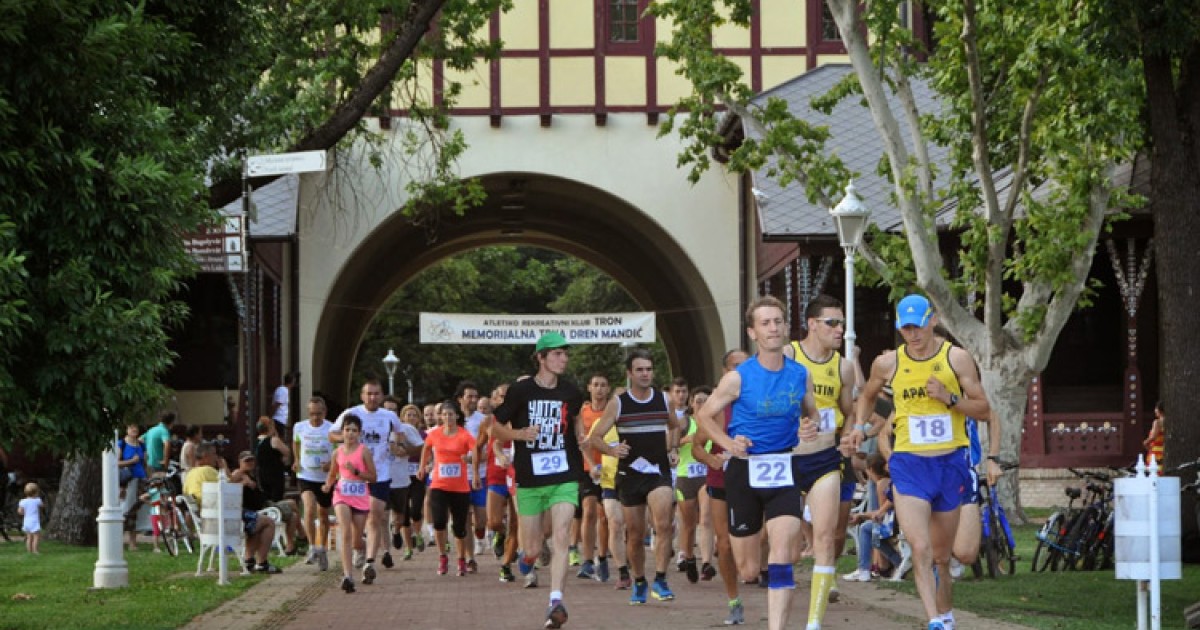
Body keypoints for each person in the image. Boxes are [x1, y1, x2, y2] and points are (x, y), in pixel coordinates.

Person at [845, 294, 992, 630]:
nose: (913, 334)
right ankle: (933, 620)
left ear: (933, 320)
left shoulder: (956, 359)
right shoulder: (888, 364)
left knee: (942, 557)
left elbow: (983, 410)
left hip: (950, 463)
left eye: (918, 325)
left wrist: (949, 398)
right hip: (909, 465)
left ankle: (946, 614)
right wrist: (858, 427)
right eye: (906, 328)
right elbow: (867, 395)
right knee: (920, 546)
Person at [695, 296, 821, 630]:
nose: (773, 328)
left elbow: (813, 413)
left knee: (782, 557)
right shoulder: (738, 378)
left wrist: (810, 426)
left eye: (778, 321)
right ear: (753, 332)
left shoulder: (799, 374)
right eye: (765, 323)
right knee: (749, 570)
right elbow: (704, 416)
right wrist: (728, 444)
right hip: (744, 472)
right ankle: (761, 532)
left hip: (783, 467)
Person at [492, 331, 587, 629]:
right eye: (557, 354)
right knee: (532, 548)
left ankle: (555, 601)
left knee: (561, 537)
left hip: (565, 475)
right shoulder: (520, 391)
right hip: (530, 478)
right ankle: (527, 559)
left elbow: (577, 426)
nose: (564, 359)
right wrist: (519, 434)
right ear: (541, 358)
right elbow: (494, 428)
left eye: (565, 354)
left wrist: (587, 443)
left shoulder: (572, 392)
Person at [588, 348, 682, 606]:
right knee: (635, 533)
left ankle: (661, 580)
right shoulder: (618, 403)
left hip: (658, 473)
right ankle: (639, 580)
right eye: (639, 370)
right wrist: (612, 449)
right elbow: (594, 438)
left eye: (649, 369)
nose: (645, 374)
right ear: (630, 373)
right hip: (629, 475)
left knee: (664, 524)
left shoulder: (664, 400)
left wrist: (673, 448)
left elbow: (676, 425)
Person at [784, 294, 859, 605]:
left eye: (841, 323)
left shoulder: (843, 367)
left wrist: (850, 434)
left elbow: (848, 409)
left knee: (835, 534)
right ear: (812, 324)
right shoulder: (790, 354)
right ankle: (784, 575)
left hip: (828, 454)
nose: (839, 329)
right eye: (832, 322)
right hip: (790, 455)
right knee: (785, 541)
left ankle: (824, 580)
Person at [692, 347, 749, 625]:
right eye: (734, 366)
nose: (740, 371)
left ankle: (758, 573)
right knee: (724, 544)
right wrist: (712, 460)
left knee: (759, 539)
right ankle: (734, 600)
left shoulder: (760, 400)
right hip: (722, 482)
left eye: (745, 365)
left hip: (755, 479)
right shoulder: (716, 408)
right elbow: (696, 447)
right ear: (725, 372)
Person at [331, 379, 405, 588]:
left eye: (376, 394)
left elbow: (399, 431)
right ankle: (358, 548)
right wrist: (348, 440)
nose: (372, 398)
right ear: (362, 396)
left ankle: (370, 563)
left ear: (382, 396)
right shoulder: (351, 413)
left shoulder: (388, 416)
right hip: (354, 479)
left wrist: (395, 444)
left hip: (380, 473)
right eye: (368, 394)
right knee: (356, 527)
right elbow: (332, 433)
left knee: (375, 516)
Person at [184, 442, 279, 574]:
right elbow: (226, 490)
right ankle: (262, 563)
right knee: (268, 522)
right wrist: (225, 470)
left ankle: (249, 560)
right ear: (205, 456)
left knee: (256, 522)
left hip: (206, 521)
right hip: (222, 520)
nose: (216, 458)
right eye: (214, 454)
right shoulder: (208, 471)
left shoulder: (190, 475)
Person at [419, 400, 477, 577]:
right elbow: (426, 448)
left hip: (460, 487)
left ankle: (461, 559)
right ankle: (442, 557)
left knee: (459, 527)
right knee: (439, 522)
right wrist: (422, 467)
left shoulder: (464, 435)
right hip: (439, 485)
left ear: (457, 416)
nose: (448, 417)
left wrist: (472, 469)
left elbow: (475, 452)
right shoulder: (435, 434)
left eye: (451, 414)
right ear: (440, 416)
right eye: (444, 414)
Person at [323, 414, 377, 593]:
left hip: (360, 496)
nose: (351, 434)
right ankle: (348, 576)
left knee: (355, 538)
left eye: (354, 430)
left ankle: (359, 548)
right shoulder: (337, 452)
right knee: (345, 532)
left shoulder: (364, 451)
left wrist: (357, 473)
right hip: (341, 495)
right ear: (342, 432)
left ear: (359, 433)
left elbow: (373, 477)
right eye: (347, 430)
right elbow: (332, 473)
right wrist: (327, 485)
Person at [381, 396, 425, 568]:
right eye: (387, 409)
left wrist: (405, 450)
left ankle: (396, 529)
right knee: (382, 516)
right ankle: (386, 552)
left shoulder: (405, 429)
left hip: (401, 480)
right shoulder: (375, 428)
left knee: (400, 516)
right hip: (382, 479)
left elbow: (422, 447)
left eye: (393, 410)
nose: (389, 412)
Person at [576, 373, 612, 582]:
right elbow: (582, 442)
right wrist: (591, 465)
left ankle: (602, 556)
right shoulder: (583, 413)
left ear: (608, 389)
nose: (599, 389)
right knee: (589, 511)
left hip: (609, 468)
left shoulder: (612, 411)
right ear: (589, 387)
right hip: (588, 468)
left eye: (603, 385)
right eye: (596, 384)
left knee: (605, 516)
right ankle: (587, 561)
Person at [844, 453, 902, 581]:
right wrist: (861, 515)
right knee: (872, 531)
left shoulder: (882, 484)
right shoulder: (891, 481)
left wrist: (861, 516)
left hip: (894, 524)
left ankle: (863, 569)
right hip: (898, 521)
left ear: (870, 470)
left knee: (867, 529)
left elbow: (880, 515)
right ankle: (898, 563)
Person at [230, 451, 300, 556]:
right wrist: (244, 483)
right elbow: (229, 485)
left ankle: (292, 545)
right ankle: (300, 538)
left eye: (251, 460)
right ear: (240, 462)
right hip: (258, 509)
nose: (250, 463)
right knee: (293, 508)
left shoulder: (251, 474)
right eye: (247, 461)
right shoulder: (238, 473)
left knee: (293, 512)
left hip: (265, 503)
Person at [674, 386, 711, 585]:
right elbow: (670, 443)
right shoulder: (685, 422)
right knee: (688, 524)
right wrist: (685, 439)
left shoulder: (715, 423)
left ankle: (706, 562)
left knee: (705, 518)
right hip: (685, 476)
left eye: (706, 401)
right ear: (691, 404)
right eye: (698, 401)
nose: (702, 404)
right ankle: (689, 558)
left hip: (706, 475)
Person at [294, 396, 335, 571]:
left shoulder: (332, 428)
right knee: (309, 508)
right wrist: (296, 459)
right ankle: (312, 547)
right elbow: (296, 443)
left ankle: (322, 548)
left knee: (323, 514)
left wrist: (331, 465)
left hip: (324, 478)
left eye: (318, 414)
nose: (315, 418)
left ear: (324, 412)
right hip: (305, 475)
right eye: (311, 414)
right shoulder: (300, 427)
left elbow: (338, 451)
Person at [456, 381, 489, 565]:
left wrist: (475, 458)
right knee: (464, 518)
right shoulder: (453, 419)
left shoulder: (482, 420)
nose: (473, 400)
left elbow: (488, 450)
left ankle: (481, 534)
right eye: (469, 396)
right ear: (460, 398)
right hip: (458, 477)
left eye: (476, 397)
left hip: (480, 474)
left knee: (482, 518)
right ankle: (469, 557)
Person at [118, 422, 148, 552]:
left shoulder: (141, 445)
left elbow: (145, 462)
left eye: (136, 427)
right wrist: (131, 461)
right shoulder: (122, 444)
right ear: (127, 429)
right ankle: (118, 540)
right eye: (131, 427)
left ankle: (133, 542)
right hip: (128, 481)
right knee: (126, 510)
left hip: (140, 480)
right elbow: (116, 462)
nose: (134, 430)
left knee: (137, 510)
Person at [254, 416, 292, 503]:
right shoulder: (273, 440)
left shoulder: (257, 441)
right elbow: (287, 452)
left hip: (262, 473)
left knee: (267, 497)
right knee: (277, 499)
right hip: (274, 473)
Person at [144, 411, 176, 475]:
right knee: (160, 483)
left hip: (149, 463)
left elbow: (139, 440)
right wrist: (166, 462)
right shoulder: (164, 431)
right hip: (159, 465)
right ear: (171, 422)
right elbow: (167, 445)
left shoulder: (151, 430)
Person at [19, 482, 43, 554]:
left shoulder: (22, 501)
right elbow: (42, 506)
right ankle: (35, 550)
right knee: (36, 537)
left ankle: (29, 551)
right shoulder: (37, 500)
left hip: (26, 521)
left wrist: (24, 513)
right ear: (36, 492)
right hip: (34, 521)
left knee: (29, 537)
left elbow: (20, 511)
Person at [273, 372, 296, 436]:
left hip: (281, 419)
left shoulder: (284, 390)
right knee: (279, 438)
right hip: (278, 419)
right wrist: (271, 416)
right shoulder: (283, 390)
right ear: (292, 382)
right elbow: (278, 403)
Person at [1144, 400, 1165, 466]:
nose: (1155, 410)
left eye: (1156, 408)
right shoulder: (1170, 421)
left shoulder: (1157, 422)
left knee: (1154, 472)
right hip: (1164, 450)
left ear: (1160, 410)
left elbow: (1153, 437)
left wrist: (1145, 442)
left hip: (1156, 451)